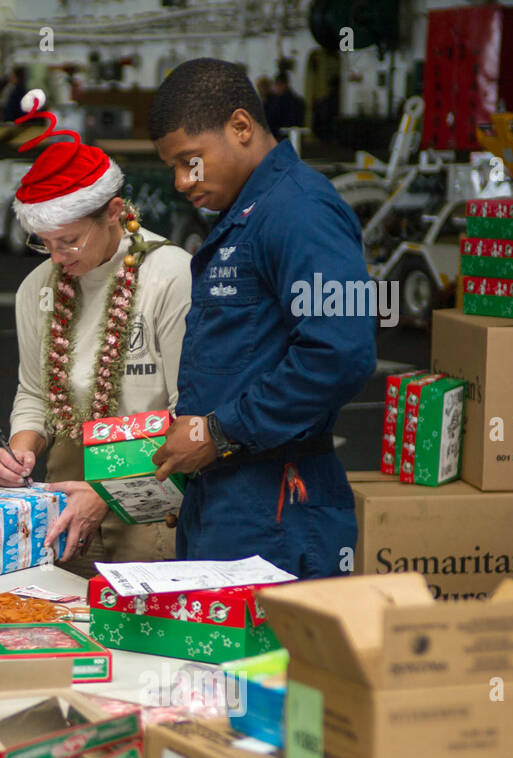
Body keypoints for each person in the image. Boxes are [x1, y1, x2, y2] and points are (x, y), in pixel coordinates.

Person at [147, 58, 376, 579]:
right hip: (229, 500)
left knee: (271, 663)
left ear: (242, 127)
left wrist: (218, 432)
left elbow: (340, 352)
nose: (183, 181)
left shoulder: (300, 211)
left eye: (191, 160)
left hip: (277, 508)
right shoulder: (249, 213)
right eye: (173, 168)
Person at [0, 89, 192, 576]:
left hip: (152, 496)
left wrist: (107, 492)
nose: (58, 258)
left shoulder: (170, 275)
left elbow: (187, 412)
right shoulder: (37, 290)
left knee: (139, 635)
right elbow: (35, 391)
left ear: (115, 212)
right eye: (45, 244)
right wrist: (21, 451)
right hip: (65, 499)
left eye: (70, 241)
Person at [264, 71, 305, 139]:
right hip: (292, 137)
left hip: (278, 136)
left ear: (281, 85)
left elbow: (270, 118)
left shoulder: (276, 102)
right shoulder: (298, 101)